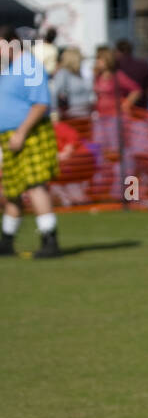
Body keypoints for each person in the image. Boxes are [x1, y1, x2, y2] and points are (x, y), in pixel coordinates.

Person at [0, 26, 62, 257]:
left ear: (12, 43)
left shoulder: (30, 65)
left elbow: (41, 104)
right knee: (13, 189)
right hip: (10, 136)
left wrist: (21, 133)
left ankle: (50, 240)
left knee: (36, 186)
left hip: (29, 133)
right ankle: (6, 241)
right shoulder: (8, 68)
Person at [51, 47, 93, 119]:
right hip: (71, 117)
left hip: (86, 114)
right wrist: (54, 112)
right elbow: (54, 93)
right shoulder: (63, 73)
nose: (82, 61)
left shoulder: (79, 73)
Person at [115, 39, 148, 111]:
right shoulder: (143, 65)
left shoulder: (115, 67)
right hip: (142, 108)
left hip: (122, 109)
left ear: (117, 51)